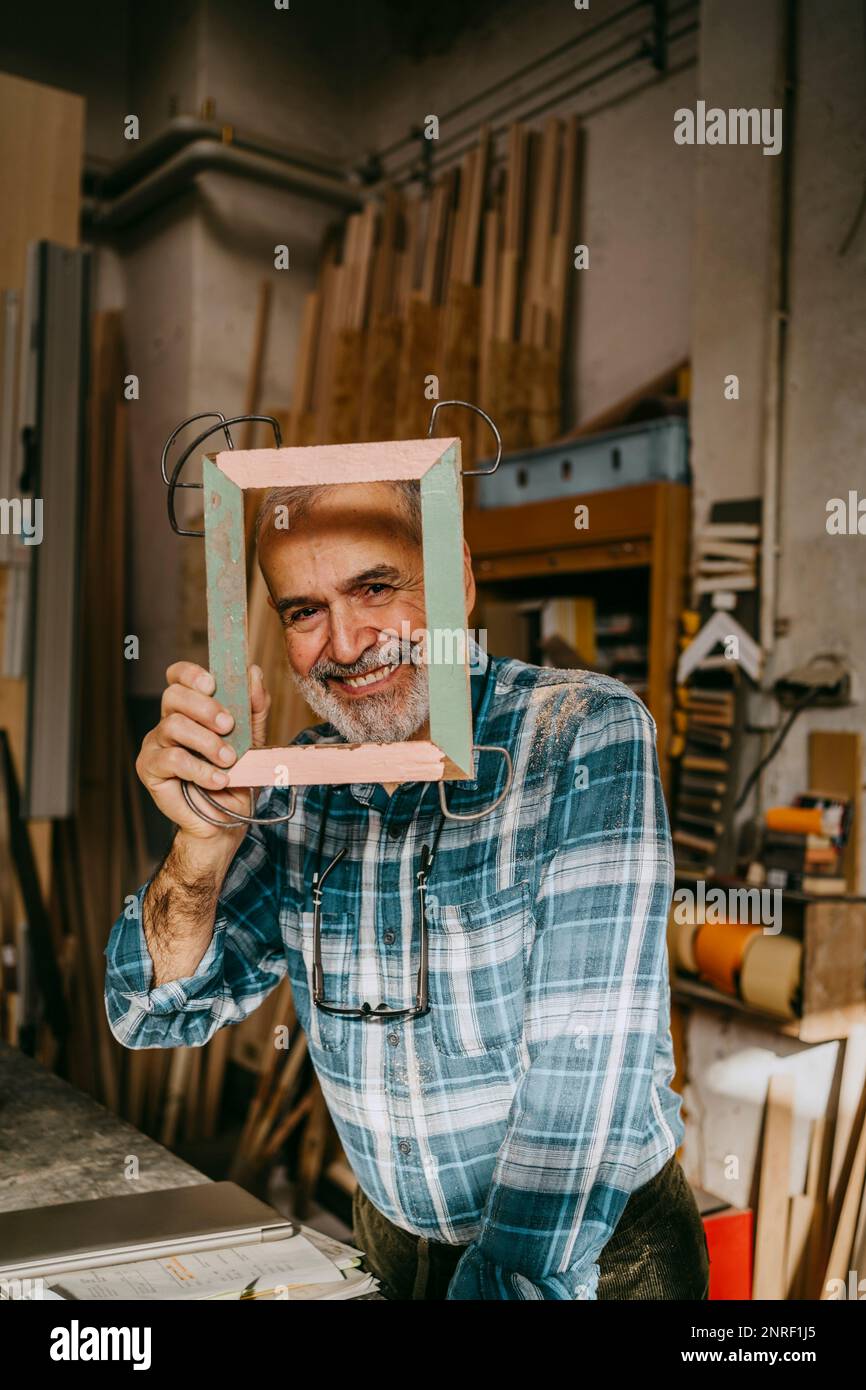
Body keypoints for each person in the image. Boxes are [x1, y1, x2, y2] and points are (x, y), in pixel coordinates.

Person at [104, 478, 710, 1301]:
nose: (346, 644)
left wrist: (499, 1283)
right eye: (303, 611)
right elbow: (151, 1012)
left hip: (595, 1259)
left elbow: (582, 1075)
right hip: (396, 1244)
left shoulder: (582, 733)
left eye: (375, 589)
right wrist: (202, 843)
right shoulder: (298, 783)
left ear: (456, 578)